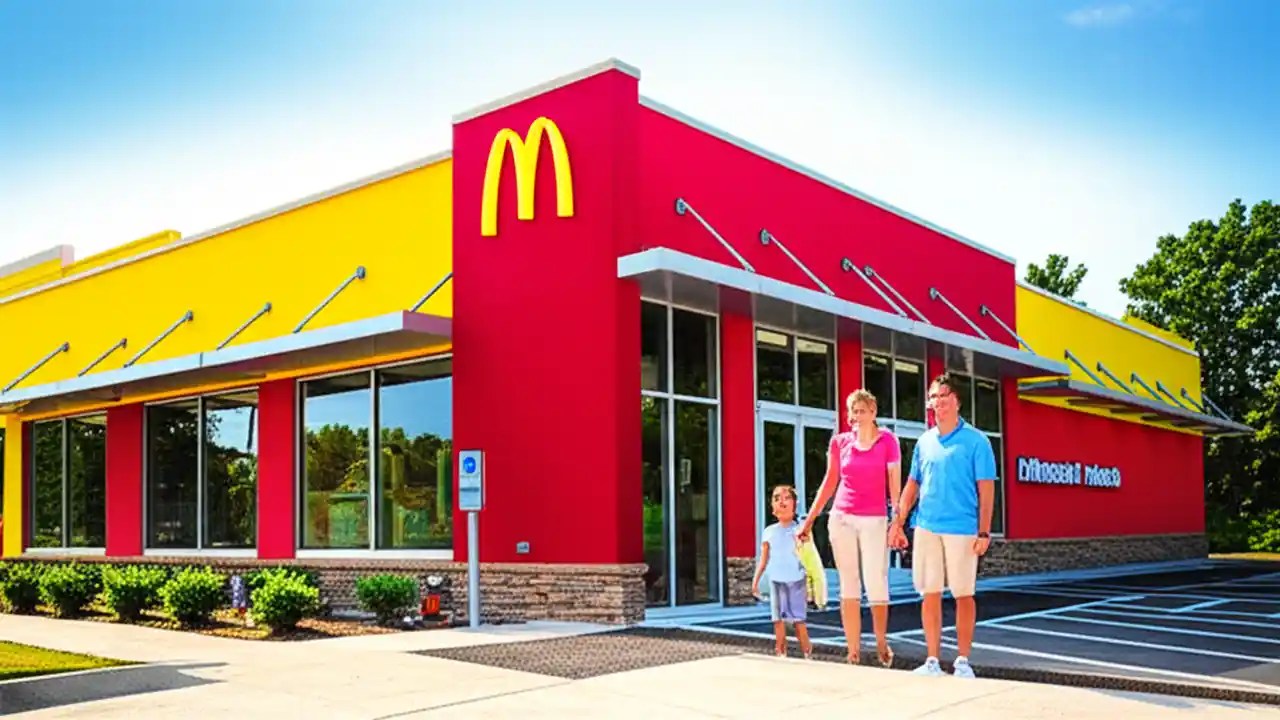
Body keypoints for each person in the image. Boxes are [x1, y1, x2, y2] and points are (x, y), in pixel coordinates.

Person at [889, 372, 997, 678]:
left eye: (944, 396)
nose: (939, 402)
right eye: (934, 397)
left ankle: (962, 661)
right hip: (926, 527)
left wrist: (984, 531)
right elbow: (912, 486)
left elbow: (986, 489)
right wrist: (897, 522)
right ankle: (932, 660)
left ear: (957, 401)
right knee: (930, 593)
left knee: (964, 594)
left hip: (963, 529)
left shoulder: (977, 441)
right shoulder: (924, 442)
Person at [800, 389, 901, 666]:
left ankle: (881, 641)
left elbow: (894, 483)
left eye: (862, 411)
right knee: (849, 583)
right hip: (842, 518)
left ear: (873, 412)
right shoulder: (839, 442)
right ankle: (853, 649)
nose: (857, 416)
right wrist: (809, 521)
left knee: (876, 581)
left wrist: (898, 520)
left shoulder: (888, 441)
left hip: (875, 519)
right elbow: (830, 482)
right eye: (853, 412)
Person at [752, 484, 814, 659]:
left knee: (798, 621)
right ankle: (781, 654)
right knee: (778, 621)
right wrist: (755, 581)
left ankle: (808, 654)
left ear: (794, 504)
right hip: (776, 581)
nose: (782, 502)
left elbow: (809, 559)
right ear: (772, 506)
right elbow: (763, 560)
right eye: (777, 498)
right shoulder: (768, 532)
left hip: (797, 581)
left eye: (787, 498)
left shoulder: (801, 530)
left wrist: (811, 584)